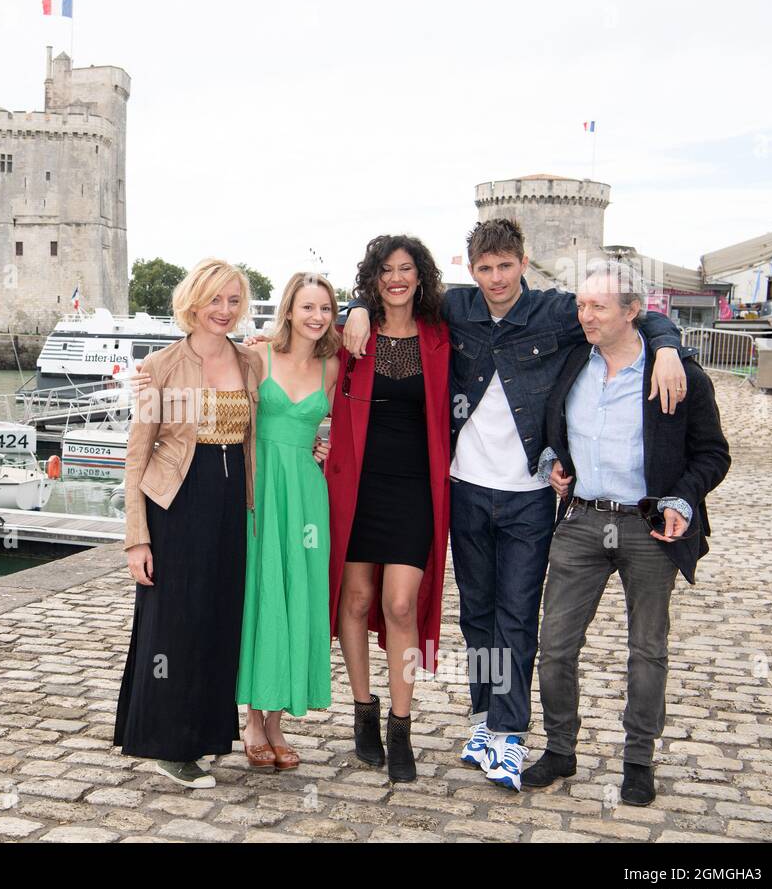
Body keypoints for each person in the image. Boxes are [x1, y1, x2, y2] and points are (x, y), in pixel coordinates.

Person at [343, 218, 688, 792]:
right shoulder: (455, 309)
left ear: (523, 261)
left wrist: (668, 346)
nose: (496, 278)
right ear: (469, 269)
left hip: (530, 491)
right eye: (485, 268)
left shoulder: (556, 311)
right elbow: (389, 291)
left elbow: (633, 312)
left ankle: (509, 729)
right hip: (465, 487)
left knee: (517, 614)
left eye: (506, 266)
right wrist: (357, 305)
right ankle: (483, 719)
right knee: (477, 614)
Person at [523, 262, 730, 805]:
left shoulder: (678, 374)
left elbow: (713, 452)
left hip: (649, 526)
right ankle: (560, 749)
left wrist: (682, 499)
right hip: (582, 520)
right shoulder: (572, 362)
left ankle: (639, 760)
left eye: (598, 307)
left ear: (631, 311)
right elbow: (551, 426)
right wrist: (554, 461)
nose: (584, 316)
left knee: (647, 650)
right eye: (582, 306)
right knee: (556, 647)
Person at [115, 258, 263, 789]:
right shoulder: (160, 366)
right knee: (173, 623)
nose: (223, 311)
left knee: (219, 619)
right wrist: (137, 538)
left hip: (229, 499)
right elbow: (137, 456)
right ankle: (169, 744)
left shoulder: (251, 362)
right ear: (193, 302)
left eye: (232, 301)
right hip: (175, 499)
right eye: (214, 300)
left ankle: (203, 734)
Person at [328, 235, 451, 783]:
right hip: (357, 487)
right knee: (354, 601)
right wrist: (353, 311)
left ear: (420, 277)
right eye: (385, 270)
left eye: (406, 269)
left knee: (401, 605)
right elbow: (287, 357)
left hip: (415, 491)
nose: (396, 278)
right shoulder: (352, 337)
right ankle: (363, 713)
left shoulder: (443, 334)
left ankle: (402, 725)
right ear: (372, 279)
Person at [237, 272, 338, 771]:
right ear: (289, 311)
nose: (316, 317)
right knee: (262, 596)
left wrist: (328, 447)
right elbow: (207, 375)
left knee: (296, 597)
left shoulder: (333, 367)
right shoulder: (257, 356)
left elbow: (349, 426)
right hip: (261, 489)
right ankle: (253, 719)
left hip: (305, 495)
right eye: (307, 307)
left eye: (325, 308)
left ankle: (276, 720)